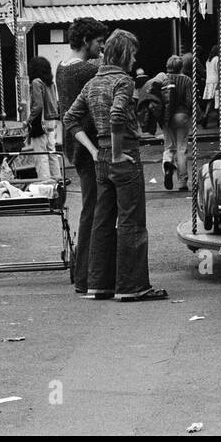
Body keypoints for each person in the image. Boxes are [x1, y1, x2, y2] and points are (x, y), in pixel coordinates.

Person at [63, 29, 167, 301]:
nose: (134, 60)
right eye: (132, 54)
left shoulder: (93, 83)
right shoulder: (123, 81)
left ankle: (98, 284)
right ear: (123, 54)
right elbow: (117, 113)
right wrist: (119, 152)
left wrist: (95, 150)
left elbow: (70, 119)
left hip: (101, 158)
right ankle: (132, 286)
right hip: (124, 156)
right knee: (131, 221)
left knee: (102, 221)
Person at [57, 17, 109, 295]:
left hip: (74, 144)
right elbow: (109, 65)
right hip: (87, 145)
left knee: (91, 207)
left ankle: (86, 273)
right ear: (86, 41)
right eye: (98, 42)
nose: (101, 48)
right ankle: (87, 275)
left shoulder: (62, 67)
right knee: (94, 209)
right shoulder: (86, 69)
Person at [153, 55, 193, 191]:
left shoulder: (163, 79)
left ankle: (168, 166)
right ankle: (182, 182)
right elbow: (189, 101)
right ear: (181, 67)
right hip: (182, 116)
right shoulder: (187, 80)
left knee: (169, 146)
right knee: (182, 148)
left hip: (166, 117)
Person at [24, 56, 60, 179]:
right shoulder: (50, 83)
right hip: (51, 121)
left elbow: (38, 105)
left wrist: (28, 120)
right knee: (51, 152)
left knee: (41, 154)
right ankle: (57, 180)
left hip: (41, 121)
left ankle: (45, 182)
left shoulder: (36, 82)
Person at [202, 44, 220, 127]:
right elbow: (219, 70)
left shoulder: (208, 60)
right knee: (218, 101)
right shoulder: (217, 59)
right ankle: (219, 120)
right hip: (216, 80)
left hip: (209, 81)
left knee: (210, 101)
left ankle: (205, 117)